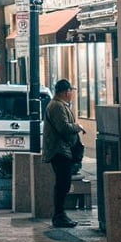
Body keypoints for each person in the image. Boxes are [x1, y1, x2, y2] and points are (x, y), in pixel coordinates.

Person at [43, 78, 85, 230]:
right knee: (63, 183)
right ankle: (59, 215)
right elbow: (63, 127)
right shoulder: (57, 106)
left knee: (64, 183)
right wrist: (78, 126)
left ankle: (60, 215)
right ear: (67, 92)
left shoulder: (59, 105)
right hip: (59, 151)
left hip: (62, 150)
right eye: (71, 91)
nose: (72, 94)